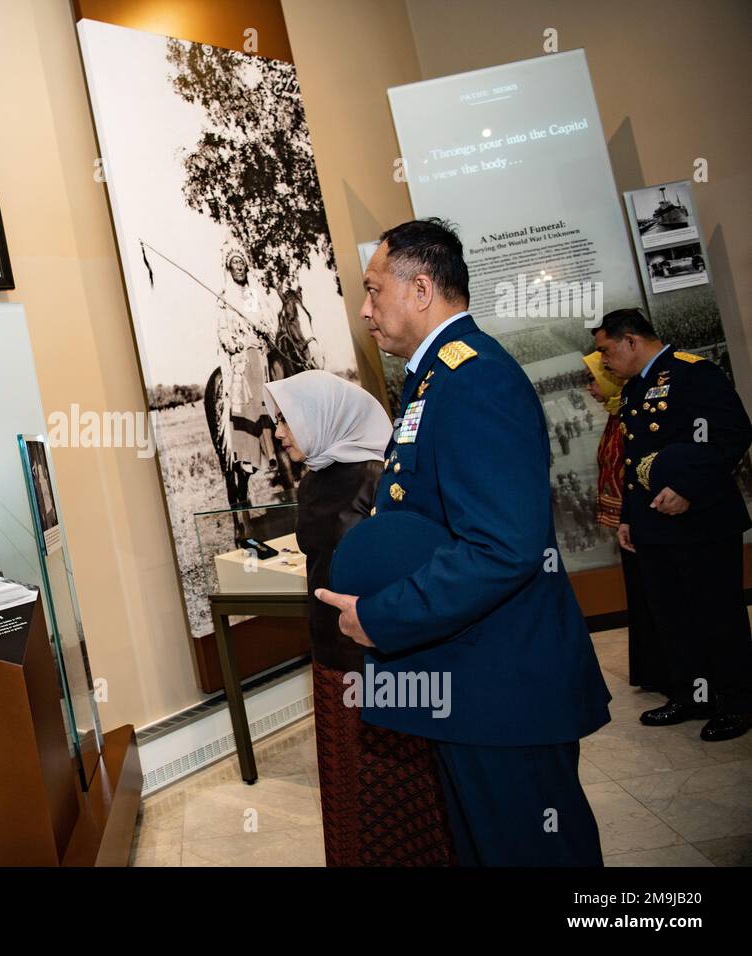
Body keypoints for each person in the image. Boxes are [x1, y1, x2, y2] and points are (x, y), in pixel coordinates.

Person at [317, 218, 610, 866]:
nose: (365, 311)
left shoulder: (473, 379)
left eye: (372, 291)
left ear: (420, 289)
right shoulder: (437, 379)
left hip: (505, 686)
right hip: (472, 677)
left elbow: (504, 546)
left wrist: (381, 617)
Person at [264, 369, 454, 867]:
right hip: (329, 650)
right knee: (345, 777)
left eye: (286, 419)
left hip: (377, 654)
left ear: (321, 416)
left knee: (392, 783)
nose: (278, 432)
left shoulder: (378, 476)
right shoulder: (314, 479)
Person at [594, 309, 752, 741]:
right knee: (672, 615)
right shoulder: (634, 388)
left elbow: (732, 433)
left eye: (607, 350)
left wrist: (687, 487)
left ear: (631, 341)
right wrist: (628, 516)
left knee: (716, 613)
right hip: (653, 523)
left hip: (701, 519)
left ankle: (738, 701)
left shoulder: (692, 373)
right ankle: (691, 694)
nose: (604, 361)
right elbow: (632, 460)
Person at [584, 350, 661, 690]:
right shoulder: (617, 415)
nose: (589, 387)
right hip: (631, 524)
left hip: (648, 520)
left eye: (593, 378)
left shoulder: (630, 416)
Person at [216, 247, 277, 473]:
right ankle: (259, 453)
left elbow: (264, 319)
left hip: (261, 351)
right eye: (235, 264)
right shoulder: (225, 299)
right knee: (252, 384)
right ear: (229, 269)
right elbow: (223, 332)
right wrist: (237, 344)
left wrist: (264, 329)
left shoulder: (254, 294)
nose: (239, 267)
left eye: (242, 264)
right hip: (243, 356)